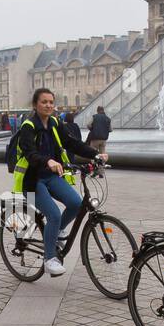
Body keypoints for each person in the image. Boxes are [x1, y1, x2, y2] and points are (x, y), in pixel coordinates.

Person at [13, 88, 105, 276]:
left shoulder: (54, 123)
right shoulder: (28, 127)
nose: (48, 105)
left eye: (51, 102)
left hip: (51, 176)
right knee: (53, 214)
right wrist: (47, 161)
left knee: (77, 203)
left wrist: (95, 155)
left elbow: (72, 143)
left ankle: (58, 231)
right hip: (33, 180)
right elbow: (30, 153)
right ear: (35, 105)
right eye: (44, 102)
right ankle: (50, 259)